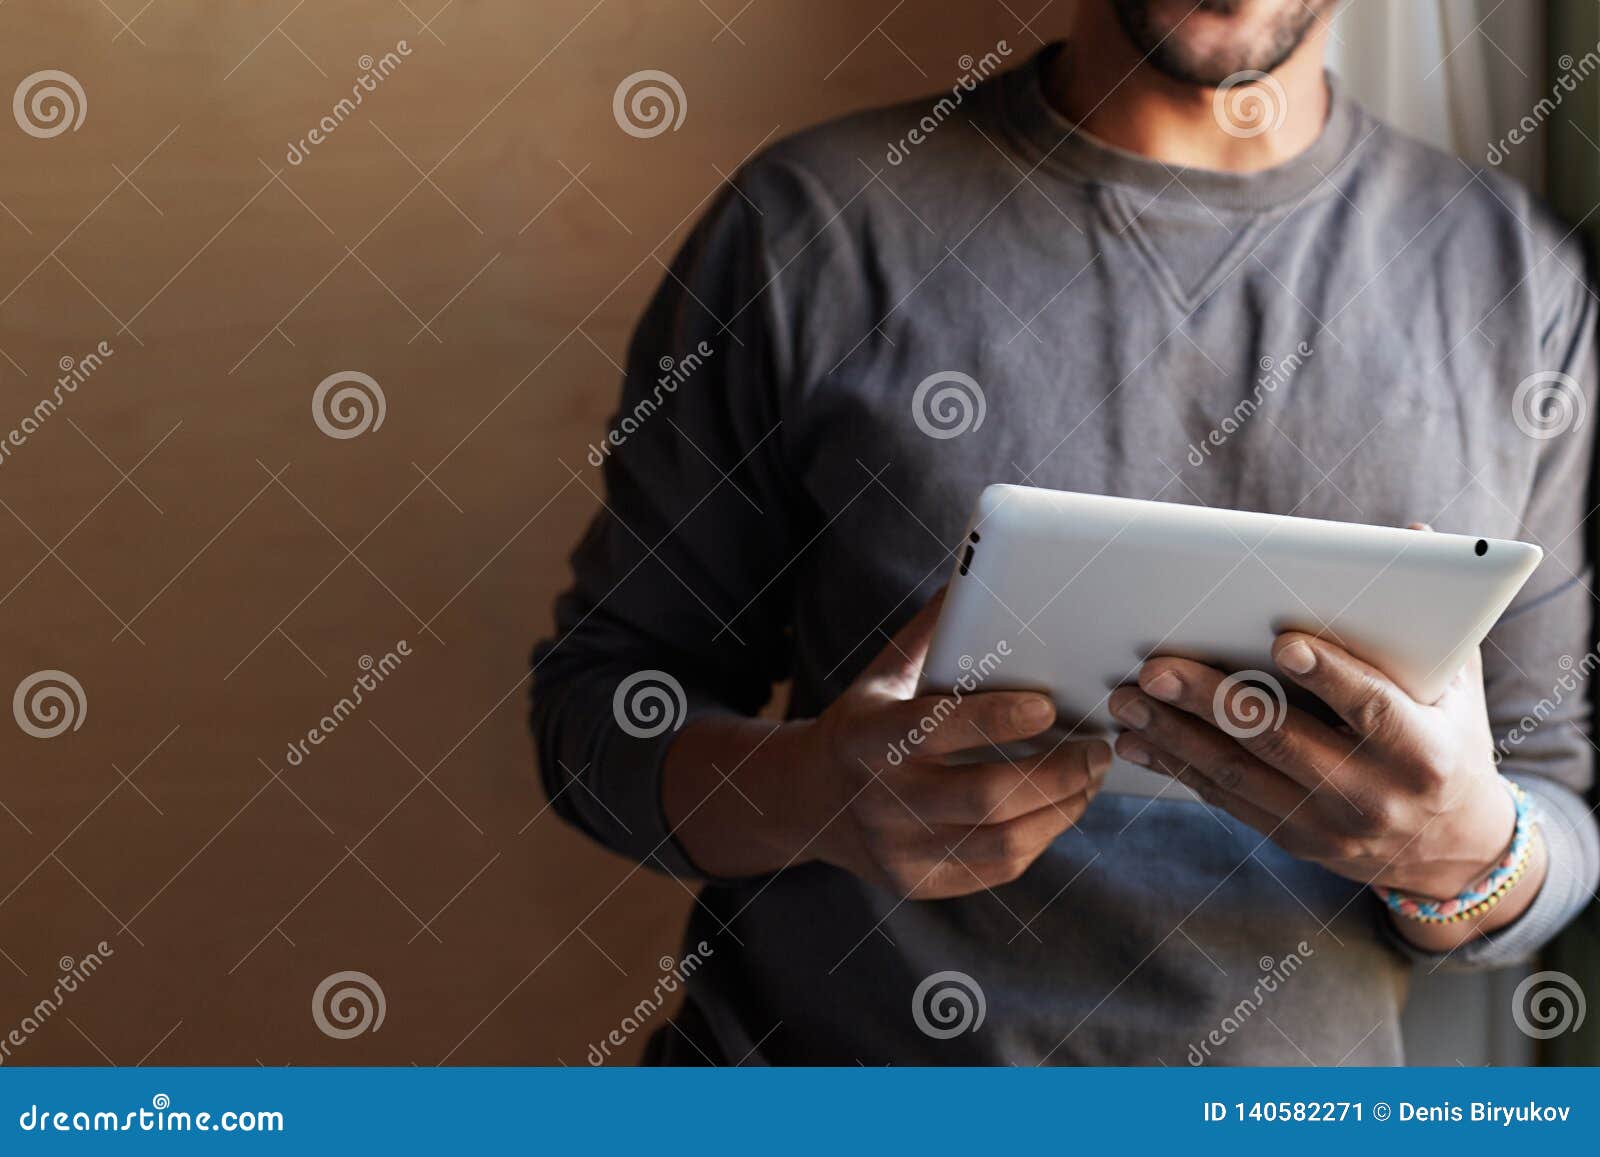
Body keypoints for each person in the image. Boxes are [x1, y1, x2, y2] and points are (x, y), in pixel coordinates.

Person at [531, 0, 1600, 1064]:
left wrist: (1464, 855)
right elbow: (596, 711)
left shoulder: (1515, 279)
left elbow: (1548, 794)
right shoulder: (809, 222)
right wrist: (818, 794)